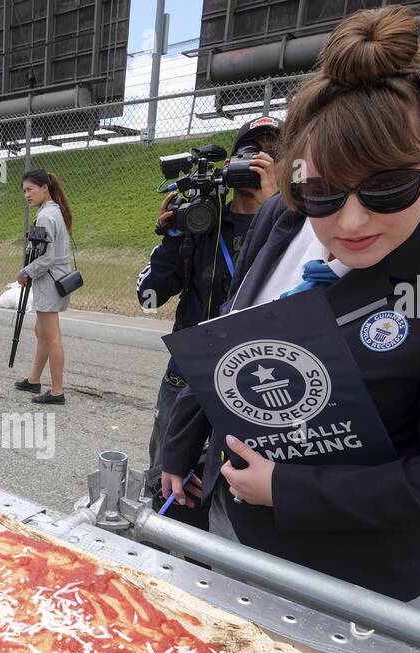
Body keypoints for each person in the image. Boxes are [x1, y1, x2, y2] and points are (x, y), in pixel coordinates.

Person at [159, 5, 420, 604]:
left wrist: (291, 490)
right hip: (227, 527)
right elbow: (237, 333)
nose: (349, 221)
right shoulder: (281, 215)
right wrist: (182, 446)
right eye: (322, 188)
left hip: (352, 579)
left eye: (386, 186)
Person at [137, 116, 280, 527]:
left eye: (272, 153)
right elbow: (149, 296)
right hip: (189, 375)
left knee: (234, 491)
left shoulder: (295, 226)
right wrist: (174, 235)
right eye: (251, 151)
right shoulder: (203, 219)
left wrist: (276, 209)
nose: (259, 161)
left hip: (254, 379)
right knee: (167, 482)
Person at [14, 168, 74, 405]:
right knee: (42, 333)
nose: (26, 195)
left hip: (50, 281)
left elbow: (46, 257)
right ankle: (34, 379)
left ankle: (57, 391)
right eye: (24, 191)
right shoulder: (54, 211)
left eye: (30, 190)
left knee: (52, 337)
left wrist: (25, 272)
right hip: (56, 278)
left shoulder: (46, 216)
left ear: (44, 188)